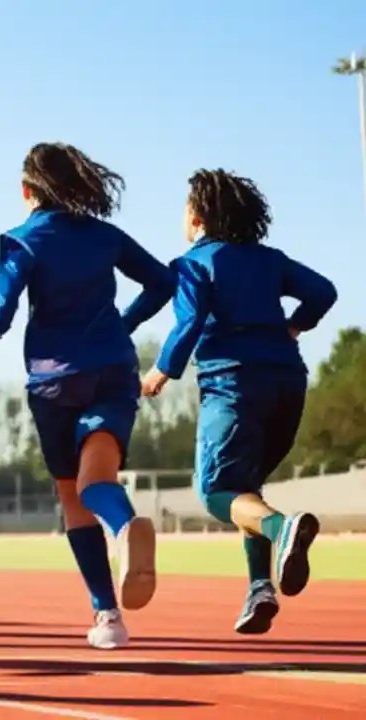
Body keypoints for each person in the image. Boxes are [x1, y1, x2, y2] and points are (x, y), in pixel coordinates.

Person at [0, 142, 175, 650]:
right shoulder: (105, 235)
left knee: (72, 495)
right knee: (98, 481)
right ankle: (123, 523)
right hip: (114, 367)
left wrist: (1, 315)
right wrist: (124, 321)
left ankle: (108, 616)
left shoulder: (22, 239)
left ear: (28, 191)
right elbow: (164, 281)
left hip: (54, 380)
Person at [141, 169, 337, 635]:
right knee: (245, 490)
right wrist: (294, 326)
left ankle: (283, 530)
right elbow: (324, 291)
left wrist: (160, 371)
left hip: (234, 386)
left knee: (215, 491)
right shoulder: (269, 259)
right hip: (289, 382)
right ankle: (259, 589)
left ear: (199, 214)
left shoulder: (194, 261)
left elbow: (188, 323)